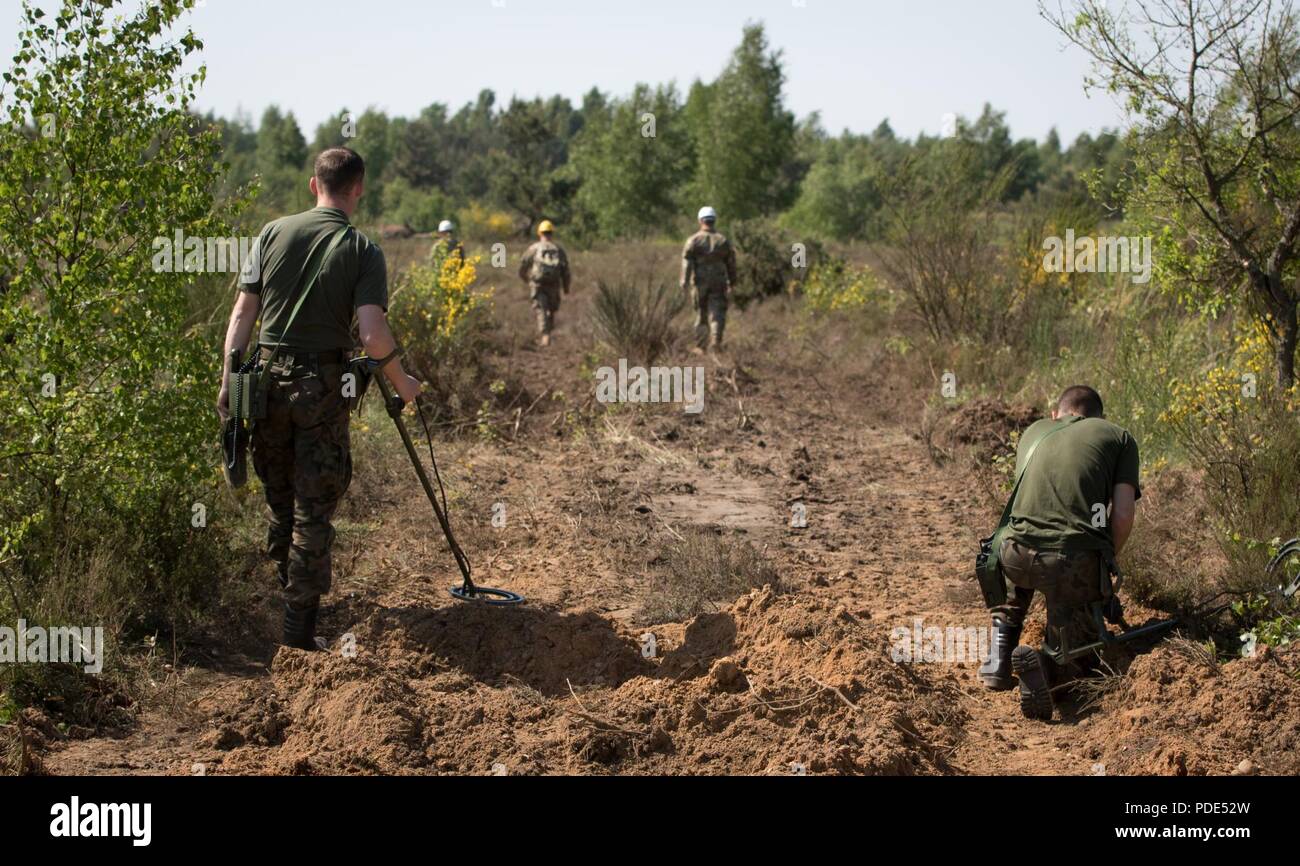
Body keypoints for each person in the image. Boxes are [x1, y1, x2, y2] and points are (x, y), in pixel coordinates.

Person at [217, 147, 422, 651]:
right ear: (359, 189)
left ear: (314, 186)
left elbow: (242, 317)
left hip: (263, 385)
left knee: (280, 502)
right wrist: (404, 383)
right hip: (321, 389)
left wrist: (228, 381)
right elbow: (372, 337)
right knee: (313, 510)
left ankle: (284, 606)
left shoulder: (271, 232)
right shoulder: (362, 249)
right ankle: (298, 637)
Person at [977, 385, 1141, 720]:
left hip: (1011, 556)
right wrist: (1105, 563)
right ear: (1098, 418)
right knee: (1080, 660)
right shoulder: (1119, 437)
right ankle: (1049, 669)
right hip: (1068, 563)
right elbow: (1123, 516)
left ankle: (998, 658)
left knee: (1028, 553)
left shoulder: (1035, 432)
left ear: (1057, 414)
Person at [680, 206, 737, 352]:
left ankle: (701, 346)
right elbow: (731, 263)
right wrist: (732, 282)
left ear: (700, 220)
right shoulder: (723, 241)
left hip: (700, 282)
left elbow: (687, 263)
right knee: (717, 312)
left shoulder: (693, 241)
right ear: (714, 220)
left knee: (701, 313)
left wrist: (684, 282)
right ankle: (716, 341)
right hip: (718, 282)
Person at [518, 219, 571, 347]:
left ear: (539, 233)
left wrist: (525, 278)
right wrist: (566, 287)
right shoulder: (558, 249)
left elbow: (523, 264)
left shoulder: (534, 248)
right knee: (551, 309)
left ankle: (545, 335)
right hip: (554, 284)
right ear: (551, 233)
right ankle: (548, 332)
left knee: (541, 308)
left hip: (538, 284)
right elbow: (566, 270)